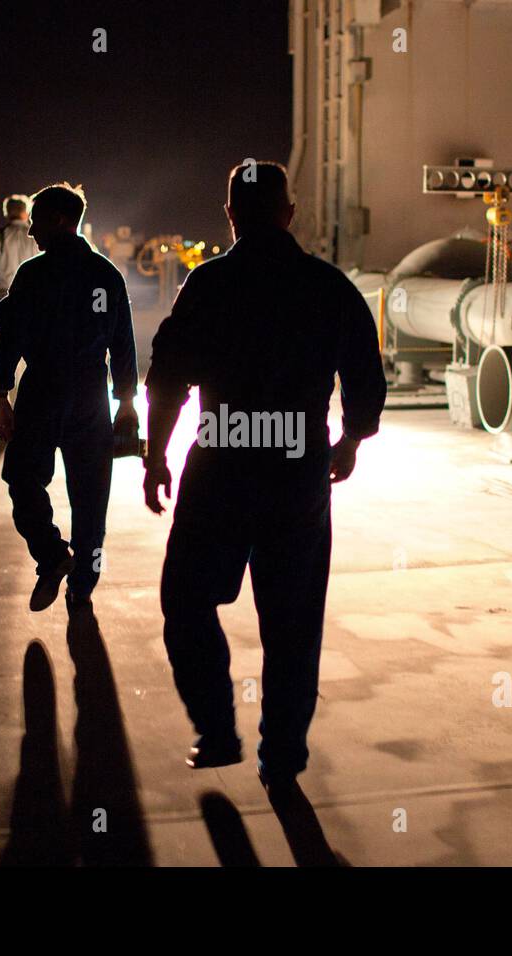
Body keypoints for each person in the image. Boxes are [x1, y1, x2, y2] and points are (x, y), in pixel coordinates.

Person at [143, 160, 386, 790]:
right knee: (293, 622)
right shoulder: (328, 287)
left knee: (187, 602)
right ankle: (281, 756)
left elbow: (168, 377)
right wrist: (350, 440)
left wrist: (155, 455)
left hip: (220, 467)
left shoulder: (208, 285)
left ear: (230, 214)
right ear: (289, 212)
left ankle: (217, 731)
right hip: (295, 471)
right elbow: (365, 373)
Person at [0, 183, 138, 612]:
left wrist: (1, 393)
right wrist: (125, 400)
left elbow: (11, 339)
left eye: (36, 219)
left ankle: (53, 556)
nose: (31, 229)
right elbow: (123, 343)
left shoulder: (32, 275)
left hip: (41, 393)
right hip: (90, 397)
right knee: (91, 498)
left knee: (21, 480)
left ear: (58, 220)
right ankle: (82, 585)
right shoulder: (106, 275)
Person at [0, 195, 40, 300]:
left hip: (5, 296)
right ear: (26, 212)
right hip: (32, 295)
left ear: (6, 212)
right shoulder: (35, 235)